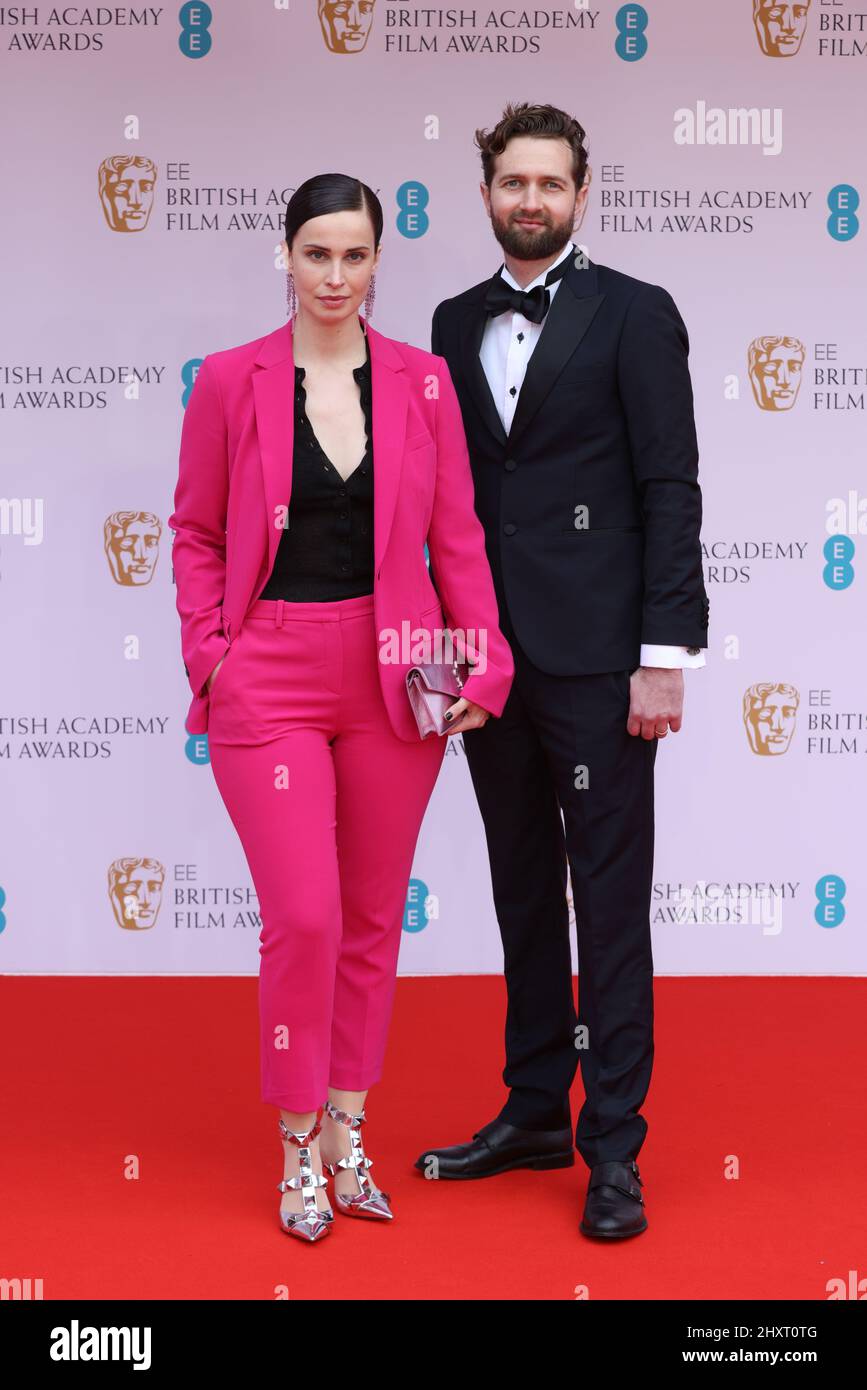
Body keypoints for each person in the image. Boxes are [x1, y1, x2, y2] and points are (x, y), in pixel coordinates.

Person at [168, 173, 514, 1243]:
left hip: (398, 665)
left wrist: (483, 662)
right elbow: (195, 532)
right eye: (316, 253)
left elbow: (456, 535)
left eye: (354, 255)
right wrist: (211, 656)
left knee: (370, 918)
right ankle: (295, 1136)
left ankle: (349, 1129)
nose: (334, 275)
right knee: (305, 917)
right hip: (267, 668)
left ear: (377, 261)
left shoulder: (420, 383)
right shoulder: (232, 380)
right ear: (285, 256)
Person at [415, 103, 709, 1239]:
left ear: (583, 193)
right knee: (522, 892)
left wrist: (663, 655)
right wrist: (441, 650)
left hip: (600, 664)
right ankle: (534, 1106)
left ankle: (615, 1152)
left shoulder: (635, 315)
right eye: (511, 182)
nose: (529, 200)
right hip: (489, 667)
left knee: (610, 908)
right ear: (485, 192)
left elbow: (670, 489)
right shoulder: (448, 321)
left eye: (550, 183)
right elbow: (439, 507)